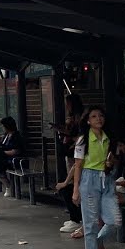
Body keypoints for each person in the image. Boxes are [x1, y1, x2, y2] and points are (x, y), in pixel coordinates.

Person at [72, 107, 119, 249]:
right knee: (91, 222)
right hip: (88, 180)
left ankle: (97, 241)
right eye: (94, 116)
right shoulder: (83, 140)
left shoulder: (108, 139)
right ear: (88, 121)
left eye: (101, 115)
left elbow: (112, 161)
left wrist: (110, 163)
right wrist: (75, 189)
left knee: (114, 220)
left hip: (106, 179)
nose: (98, 118)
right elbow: (78, 165)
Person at [54, 93, 85, 234]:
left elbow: (77, 165)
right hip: (72, 154)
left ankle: (76, 219)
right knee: (70, 185)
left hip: (77, 159)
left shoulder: (79, 119)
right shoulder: (75, 117)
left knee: (71, 187)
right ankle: (77, 219)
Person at [0, 116, 23, 197]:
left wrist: (3, 153)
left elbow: (16, 151)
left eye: (3, 126)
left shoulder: (16, 137)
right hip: (5, 158)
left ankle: (8, 186)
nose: (2, 128)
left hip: (13, 159)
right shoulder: (6, 136)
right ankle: (7, 185)